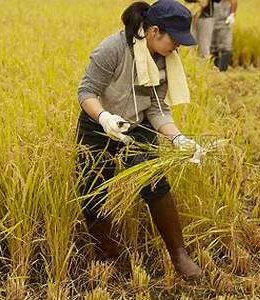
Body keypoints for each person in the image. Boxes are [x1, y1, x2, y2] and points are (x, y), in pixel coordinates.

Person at [75, 0, 204, 280]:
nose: (178, 48)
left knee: (155, 181)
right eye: (175, 39)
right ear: (154, 31)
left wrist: (179, 138)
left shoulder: (164, 60)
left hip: (138, 124)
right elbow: (86, 92)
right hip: (98, 122)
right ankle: (106, 253)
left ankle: (179, 254)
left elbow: (157, 108)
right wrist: (106, 119)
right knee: (94, 185)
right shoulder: (113, 49)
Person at [210, 0, 237, 72]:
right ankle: (213, 68)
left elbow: (234, 1)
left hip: (224, 21)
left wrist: (232, 15)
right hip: (211, 20)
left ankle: (223, 70)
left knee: (225, 46)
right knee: (212, 47)